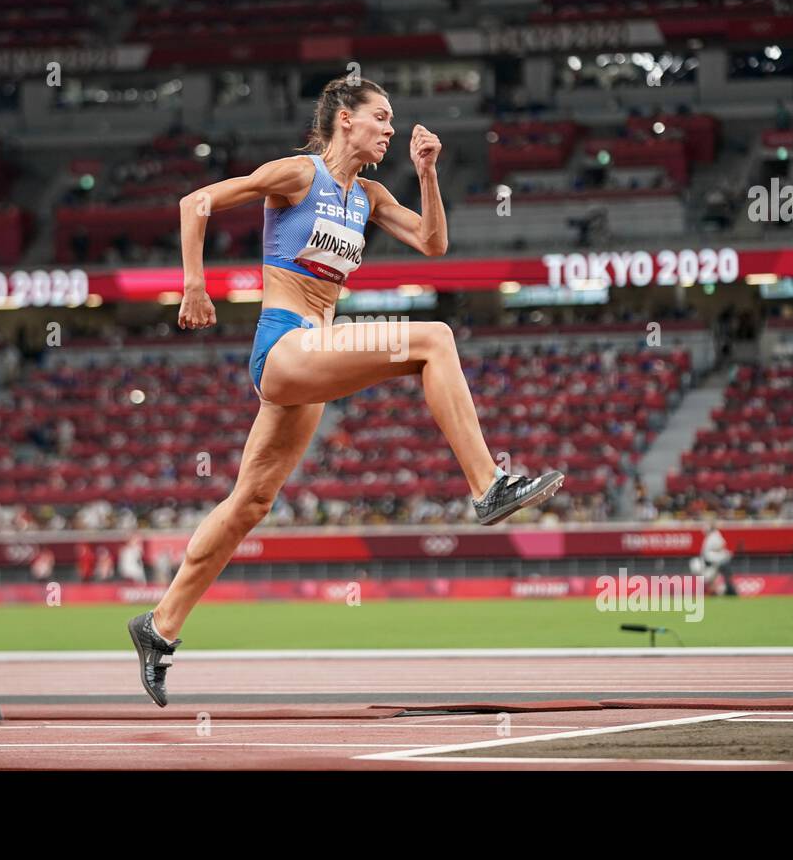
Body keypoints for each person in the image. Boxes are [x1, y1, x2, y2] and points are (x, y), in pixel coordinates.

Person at [127, 77, 565, 706]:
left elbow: (434, 244)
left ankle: (159, 626)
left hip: (315, 359)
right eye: (381, 118)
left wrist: (428, 174)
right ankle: (487, 485)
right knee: (434, 339)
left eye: (393, 121)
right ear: (343, 120)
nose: (390, 128)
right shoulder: (297, 175)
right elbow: (194, 202)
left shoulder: (371, 195)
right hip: (283, 345)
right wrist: (195, 285)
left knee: (250, 503)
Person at [690, 518, 737, 596]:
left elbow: (721, 548)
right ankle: (715, 590)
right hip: (707, 567)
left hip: (713, 566)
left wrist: (724, 555)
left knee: (725, 568)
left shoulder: (715, 536)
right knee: (695, 563)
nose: (704, 529)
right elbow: (706, 555)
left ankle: (729, 588)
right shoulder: (709, 538)